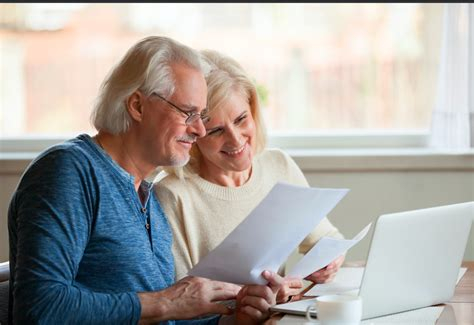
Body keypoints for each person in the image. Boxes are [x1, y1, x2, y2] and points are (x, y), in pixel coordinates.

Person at [8, 36, 283, 325]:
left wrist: (237, 317)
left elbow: (166, 317)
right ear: (138, 106)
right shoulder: (68, 172)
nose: (200, 130)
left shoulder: (148, 197)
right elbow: (38, 308)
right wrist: (166, 302)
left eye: (201, 116)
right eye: (188, 113)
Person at [154, 50, 346, 304]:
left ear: (253, 111)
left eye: (241, 119)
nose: (235, 140)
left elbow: (326, 238)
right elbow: (178, 300)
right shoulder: (172, 195)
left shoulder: (279, 166)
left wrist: (330, 260)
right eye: (216, 131)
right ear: (195, 135)